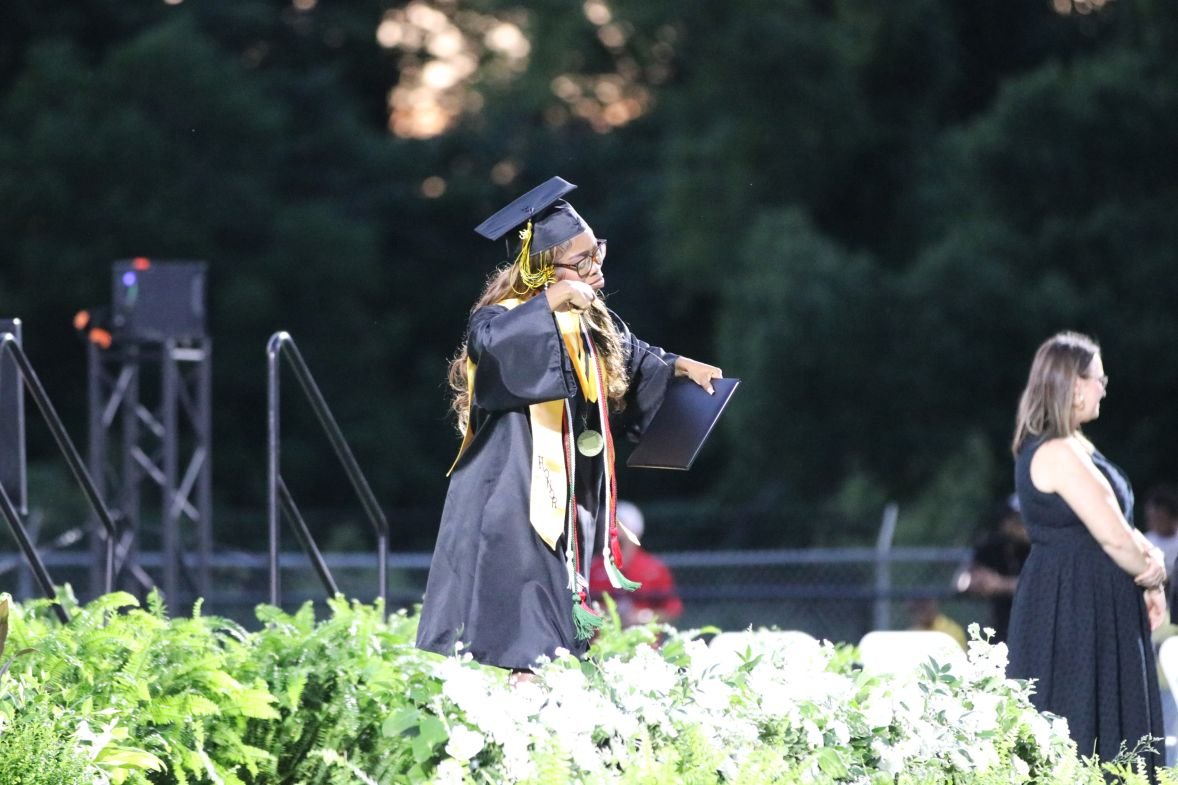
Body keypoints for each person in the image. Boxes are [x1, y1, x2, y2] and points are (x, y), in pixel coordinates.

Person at [416, 177, 721, 675]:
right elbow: (491, 352)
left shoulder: (591, 320)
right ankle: (523, 696)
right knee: (524, 601)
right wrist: (550, 304)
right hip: (512, 486)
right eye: (581, 261)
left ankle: (541, 695)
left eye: (596, 251)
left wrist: (682, 366)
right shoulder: (503, 317)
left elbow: (633, 355)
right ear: (543, 269)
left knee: (557, 598)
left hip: (567, 492)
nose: (595, 267)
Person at [1006, 331, 1167, 779]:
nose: (1105, 386)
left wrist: (1149, 558)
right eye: (1099, 377)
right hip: (1071, 611)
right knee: (1079, 729)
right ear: (1074, 385)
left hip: (1098, 606)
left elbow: (1120, 522)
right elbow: (1113, 537)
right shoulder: (1056, 450)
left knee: (1110, 731)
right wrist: (1152, 576)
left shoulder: (1077, 445)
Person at [589, 500, 683, 626]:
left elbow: (672, 610)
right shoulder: (593, 568)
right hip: (603, 643)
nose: (605, 531)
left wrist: (643, 617)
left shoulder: (654, 569)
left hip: (642, 642)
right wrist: (607, 615)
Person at [960, 494, 1030, 643]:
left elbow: (1041, 586)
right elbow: (963, 581)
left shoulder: (1038, 549)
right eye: (1014, 519)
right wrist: (978, 581)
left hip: (1035, 623)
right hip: (1001, 626)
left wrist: (1001, 584)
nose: (1019, 524)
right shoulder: (991, 546)